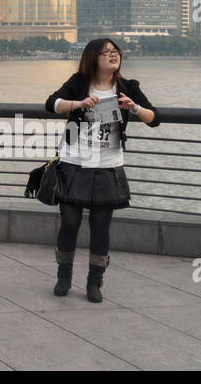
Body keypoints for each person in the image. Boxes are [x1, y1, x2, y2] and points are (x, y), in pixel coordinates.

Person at [43, 38, 160, 302]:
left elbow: (155, 119)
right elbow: (51, 103)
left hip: (108, 165)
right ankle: (64, 276)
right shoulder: (79, 82)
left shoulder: (127, 88)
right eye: (106, 52)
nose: (112, 55)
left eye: (115, 51)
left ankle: (94, 282)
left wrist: (135, 108)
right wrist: (79, 104)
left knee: (100, 226)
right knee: (69, 223)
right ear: (93, 57)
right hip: (74, 163)